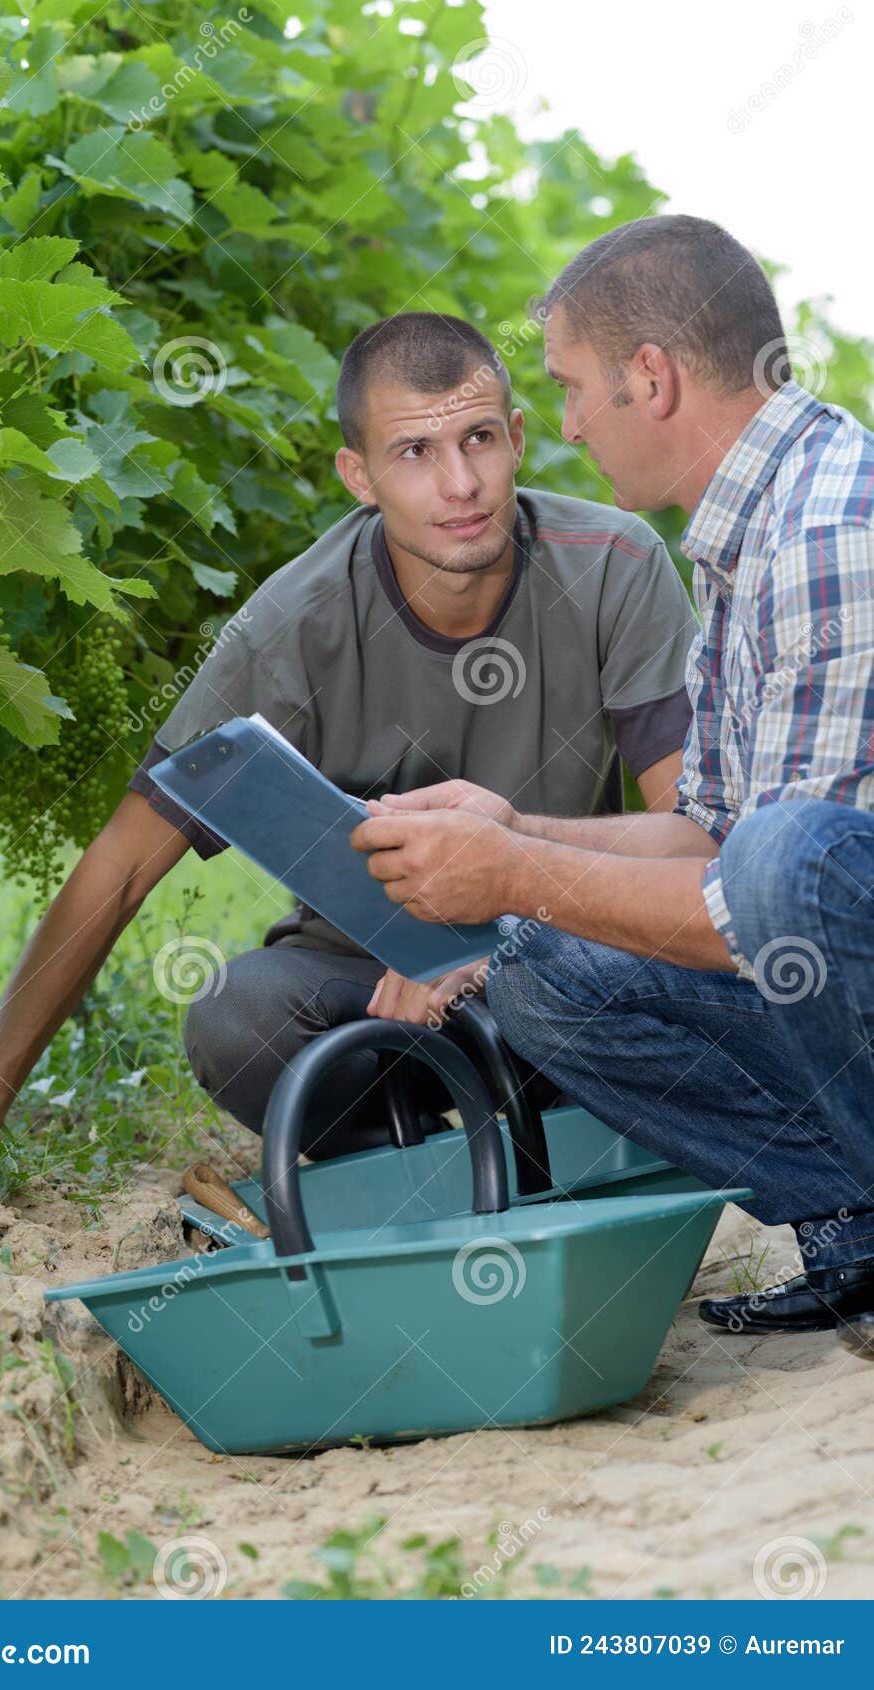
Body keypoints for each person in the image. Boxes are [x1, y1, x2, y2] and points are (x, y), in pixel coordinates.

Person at [0, 312, 695, 1165]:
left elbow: (692, 844)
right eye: (414, 453)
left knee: (665, 981)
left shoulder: (616, 568)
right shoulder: (291, 627)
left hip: (564, 951)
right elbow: (121, 867)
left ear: (516, 438)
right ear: (357, 475)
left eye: (479, 439)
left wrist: (509, 941)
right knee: (236, 1015)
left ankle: (563, 1136)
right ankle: (403, 1173)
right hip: (369, 994)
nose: (460, 483)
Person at [351, 218, 874, 1349]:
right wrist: (511, 831)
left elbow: (759, 903)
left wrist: (516, 869)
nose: (567, 427)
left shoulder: (830, 530)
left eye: (574, 389)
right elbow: (709, 839)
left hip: (824, 920)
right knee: (543, 969)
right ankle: (858, 1218)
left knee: (780, 867)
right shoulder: (740, 541)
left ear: (653, 377)